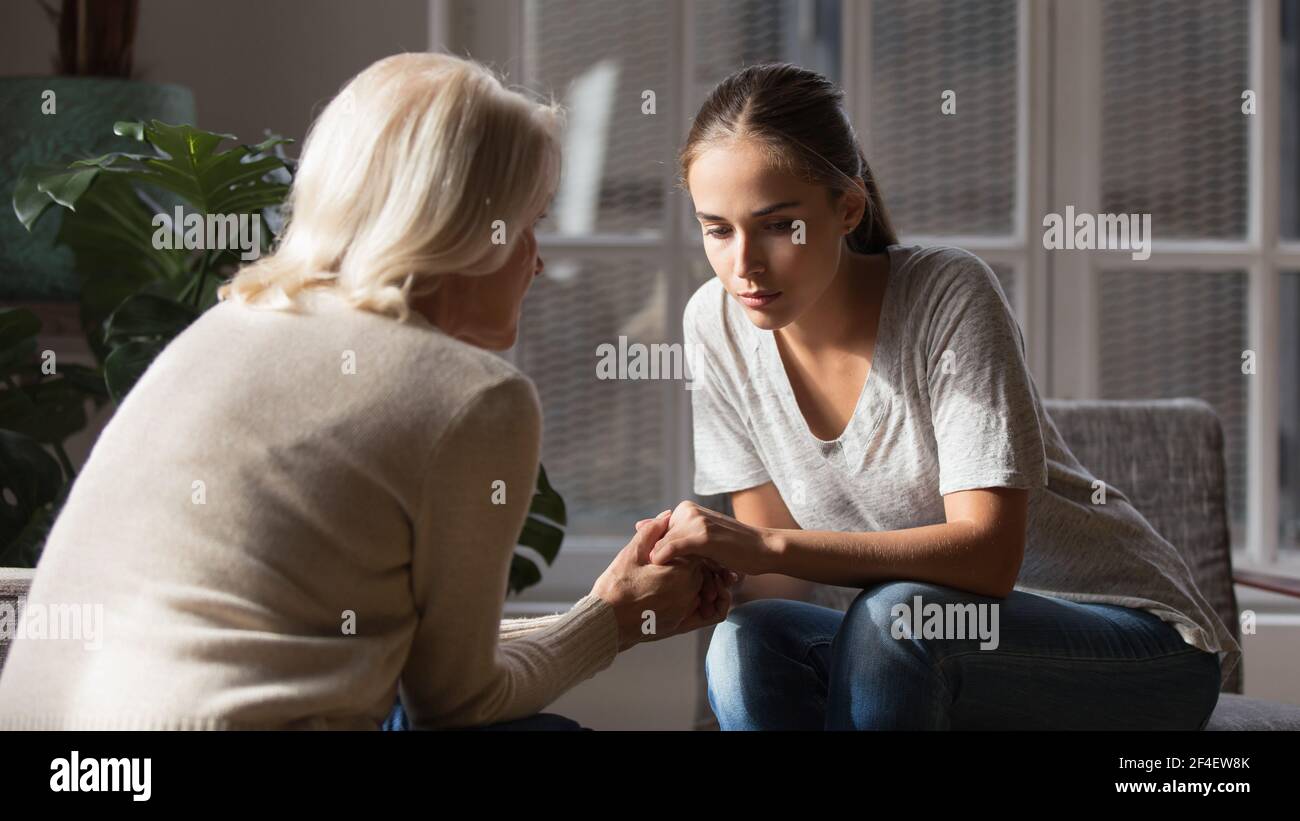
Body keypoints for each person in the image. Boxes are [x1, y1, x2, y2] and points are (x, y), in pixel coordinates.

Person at [0, 52, 734, 731]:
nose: (536, 261)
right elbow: (457, 704)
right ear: (464, 229)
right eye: (529, 223)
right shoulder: (475, 396)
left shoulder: (225, 326)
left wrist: (601, 607)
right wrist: (612, 623)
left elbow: (398, 652)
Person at [653, 62, 1241, 730]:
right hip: (921, 645)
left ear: (847, 208)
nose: (744, 265)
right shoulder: (714, 324)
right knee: (749, 641)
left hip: (1134, 646)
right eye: (718, 229)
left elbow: (988, 558)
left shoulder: (949, 295)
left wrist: (764, 545)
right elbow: (776, 576)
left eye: (778, 225)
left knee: (900, 618)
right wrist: (699, 569)